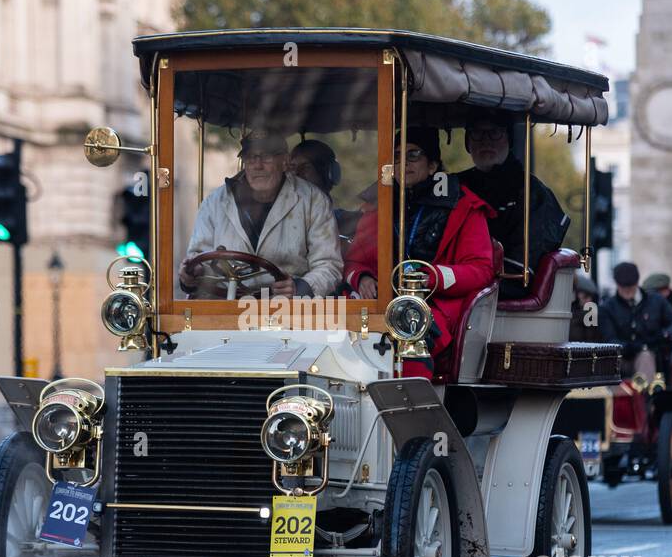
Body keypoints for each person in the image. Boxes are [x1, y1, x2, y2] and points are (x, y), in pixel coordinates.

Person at [344, 126, 493, 376]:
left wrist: (431, 277)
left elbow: (481, 269)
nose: (404, 163)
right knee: (335, 331)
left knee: (410, 336)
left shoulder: (463, 206)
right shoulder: (377, 208)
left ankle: (411, 411)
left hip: (435, 305)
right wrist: (363, 278)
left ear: (433, 165)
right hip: (382, 302)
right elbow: (353, 262)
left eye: (413, 155)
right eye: (397, 155)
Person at [178, 130, 341, 298]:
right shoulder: (215, 202)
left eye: (266, 157)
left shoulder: (313, 200)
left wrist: (301, 288)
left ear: (285, 162)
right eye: (251, 158)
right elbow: (198, 258)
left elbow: (329, 264)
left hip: (286, 311)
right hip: (224, 309)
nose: (257, 165)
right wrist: (191, 274)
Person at [455, 107, 570, 298]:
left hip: (501, 288)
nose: (485, 140)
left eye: (495, 133)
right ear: (468, 142)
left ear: (510, 139)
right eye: (477, 134)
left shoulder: (533, 193)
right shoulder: (455, 185)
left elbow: (521, 267)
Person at [598, 261, 672, 380]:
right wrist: (628, 347)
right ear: (617, 284)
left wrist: (665, 334)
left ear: (637, 283)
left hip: (651, 356)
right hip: (621, 358)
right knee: (609, 364)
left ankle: (645, 396)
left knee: (645, 357)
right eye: (623, 287)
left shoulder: (656, 301)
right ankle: (615, 398)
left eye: (630, 286)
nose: (627, 290)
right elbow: (609, 338)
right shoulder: (607, 308)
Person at [569, 273, 601, 342]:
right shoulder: (573, 311)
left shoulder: (592, 314)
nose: (582, 298)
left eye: (586, 296)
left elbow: (592, 339)